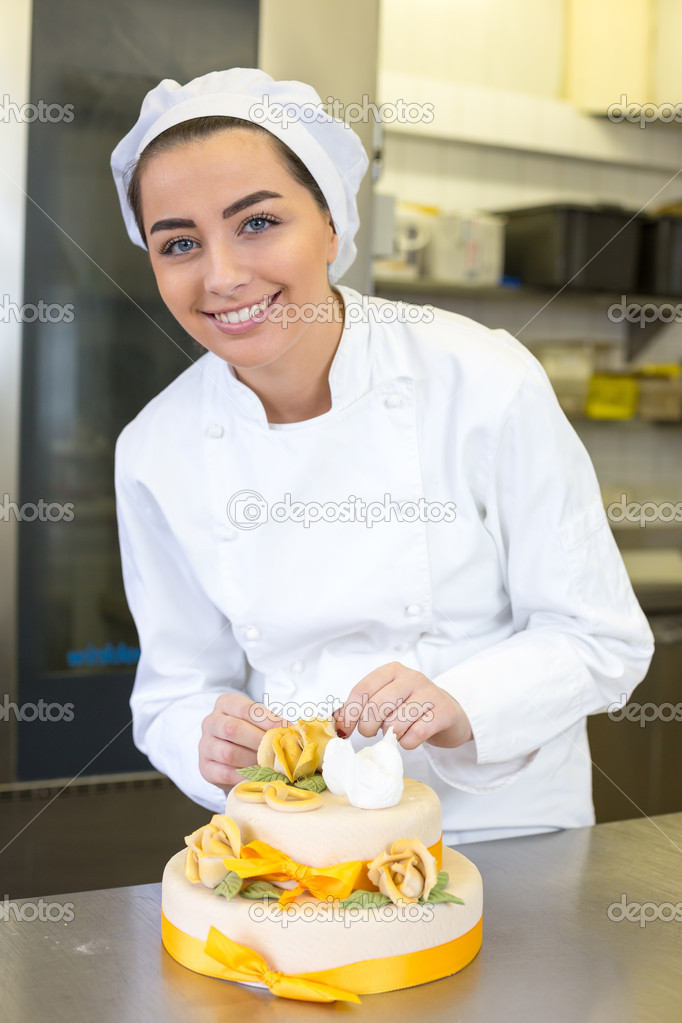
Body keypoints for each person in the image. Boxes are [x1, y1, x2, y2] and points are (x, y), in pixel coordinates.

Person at [111, 68, 654, 845]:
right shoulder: (154, 449)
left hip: (504, 837)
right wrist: (207, 741)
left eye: (258, 222)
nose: (223, 275)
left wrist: (462, 701)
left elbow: (601, 639)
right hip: (299, 842)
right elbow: (173, 693)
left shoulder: (481, 377)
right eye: (180, 243)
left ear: (332, 226)